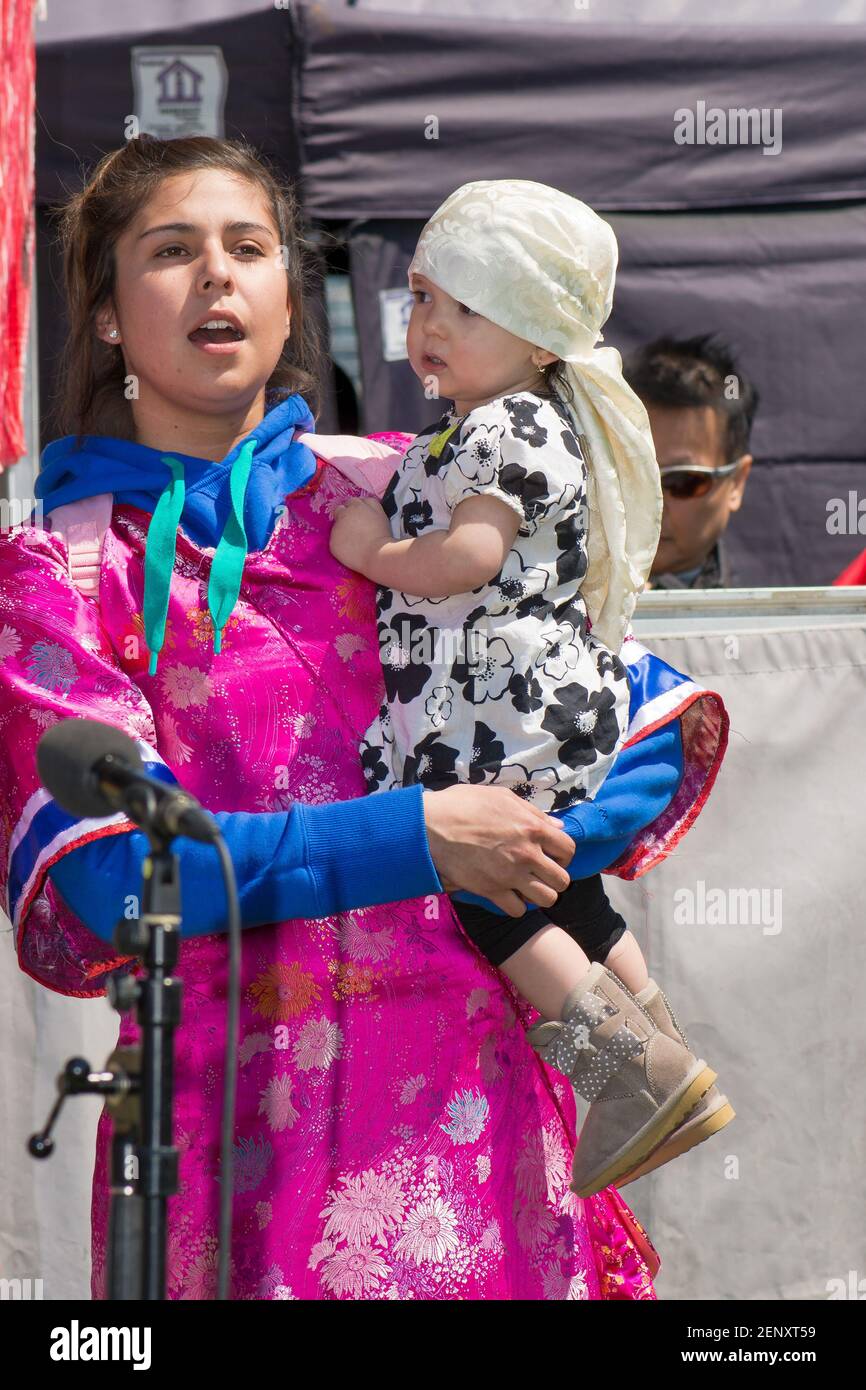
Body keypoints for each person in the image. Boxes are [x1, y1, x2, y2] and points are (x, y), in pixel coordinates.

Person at [0, 137, 722, 1300]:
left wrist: (527, 851)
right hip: (238, 1156)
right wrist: (419, 835)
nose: (218, 278)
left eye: (249, 248)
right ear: (102, 315)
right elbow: (116, 881)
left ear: (292, 298)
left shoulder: (408, 490)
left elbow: (628, 723)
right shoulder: (63, 572)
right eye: (171, 252)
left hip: (494, 1144)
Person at [329, 180, 735, 1199]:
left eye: (456, 308)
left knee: (484, 893)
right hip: (531, 705)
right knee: (556, 881)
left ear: (538, 332)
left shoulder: (499, 426)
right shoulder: (524, 416)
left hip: (493, 713)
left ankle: (624, 1074)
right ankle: (658, 1035)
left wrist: (376, 550)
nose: (424, 326)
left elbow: (466, 556)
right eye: (418, 299)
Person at [622, 334, 758, 590]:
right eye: (629, 476)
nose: (653, 505)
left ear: (737, 482)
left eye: (683, 481)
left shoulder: (767, 622)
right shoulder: (534, 595)